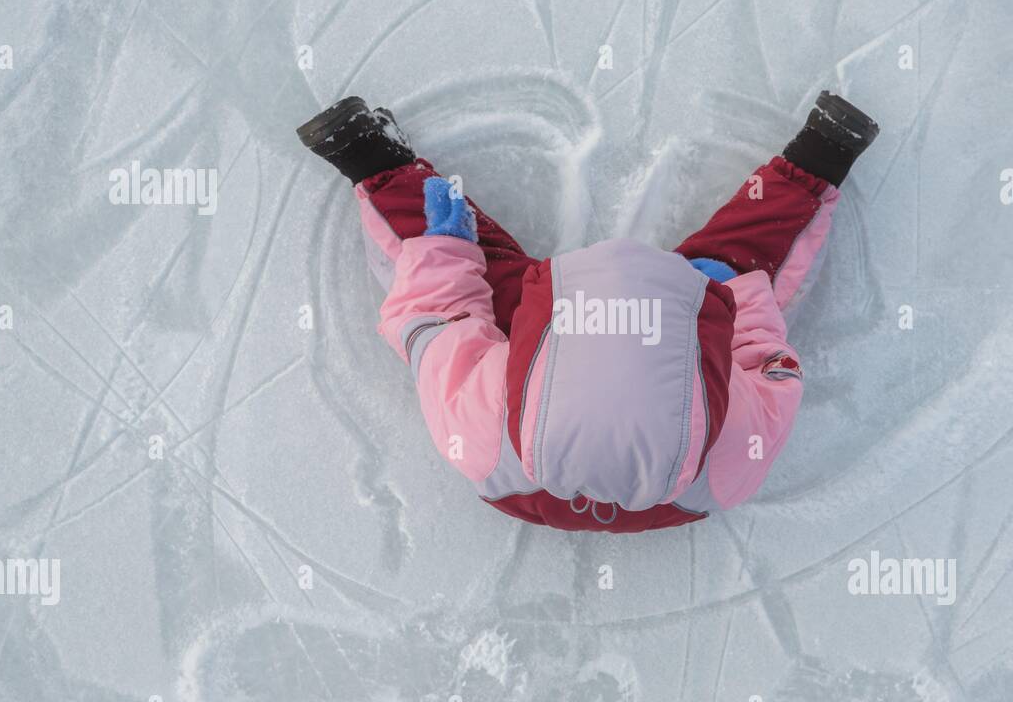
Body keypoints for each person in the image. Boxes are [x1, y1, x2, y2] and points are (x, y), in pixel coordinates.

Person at [297, 90, 878, 532]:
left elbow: (435, 317)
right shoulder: (729, 447)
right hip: (679, 498)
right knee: (739, 261)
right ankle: (816, 165)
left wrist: (447, 248)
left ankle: (374, 161)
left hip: (515, 484)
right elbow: (771, 367)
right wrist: (740, 296)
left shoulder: (482, 427)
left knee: (472, 260)